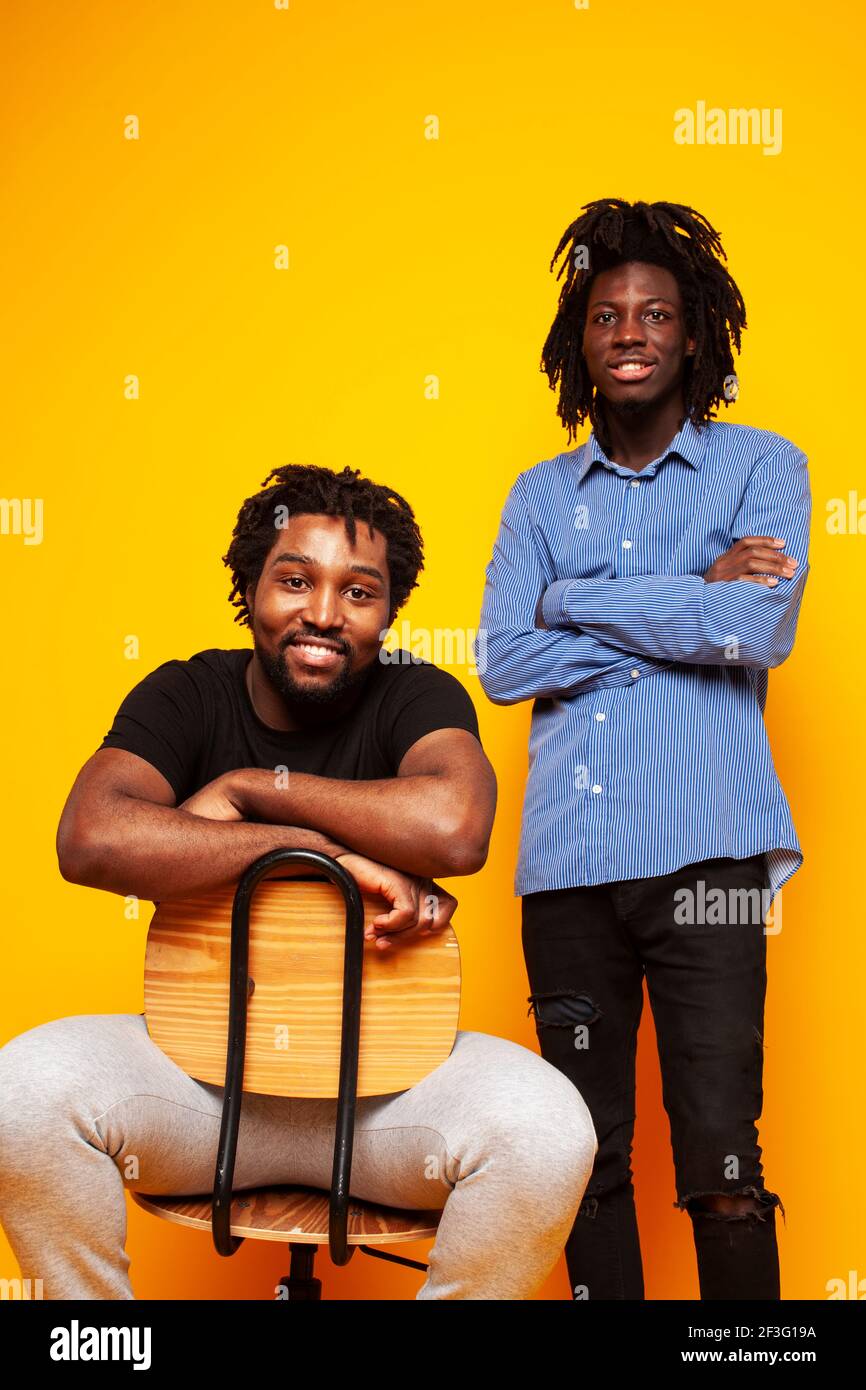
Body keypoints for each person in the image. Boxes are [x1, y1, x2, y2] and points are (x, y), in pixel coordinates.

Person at [0, 462, 597, 1301]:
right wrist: (323, 848)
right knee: (19, 1087)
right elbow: (90, 839)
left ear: (390, 613)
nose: (323, 614)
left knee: (551, 1129)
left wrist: (243, 795)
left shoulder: (416, 695)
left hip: (386, 1107)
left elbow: (457, 828)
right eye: (294, 580)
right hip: (199, 1099)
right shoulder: (186, 692)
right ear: (249, 588)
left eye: (359, 593)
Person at [477, 198, 811, 1300]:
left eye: (654, 313)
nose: (627, 330)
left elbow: (755, 625)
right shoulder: (536, 495)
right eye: (606, 314)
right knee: (583, 1160)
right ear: (579, 341)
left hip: (707, 862)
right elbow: (505, 660)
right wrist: (681, 597)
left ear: (691, 336)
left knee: (720, 1158)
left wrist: (575, 604)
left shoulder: (761, 468)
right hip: (567, 874)